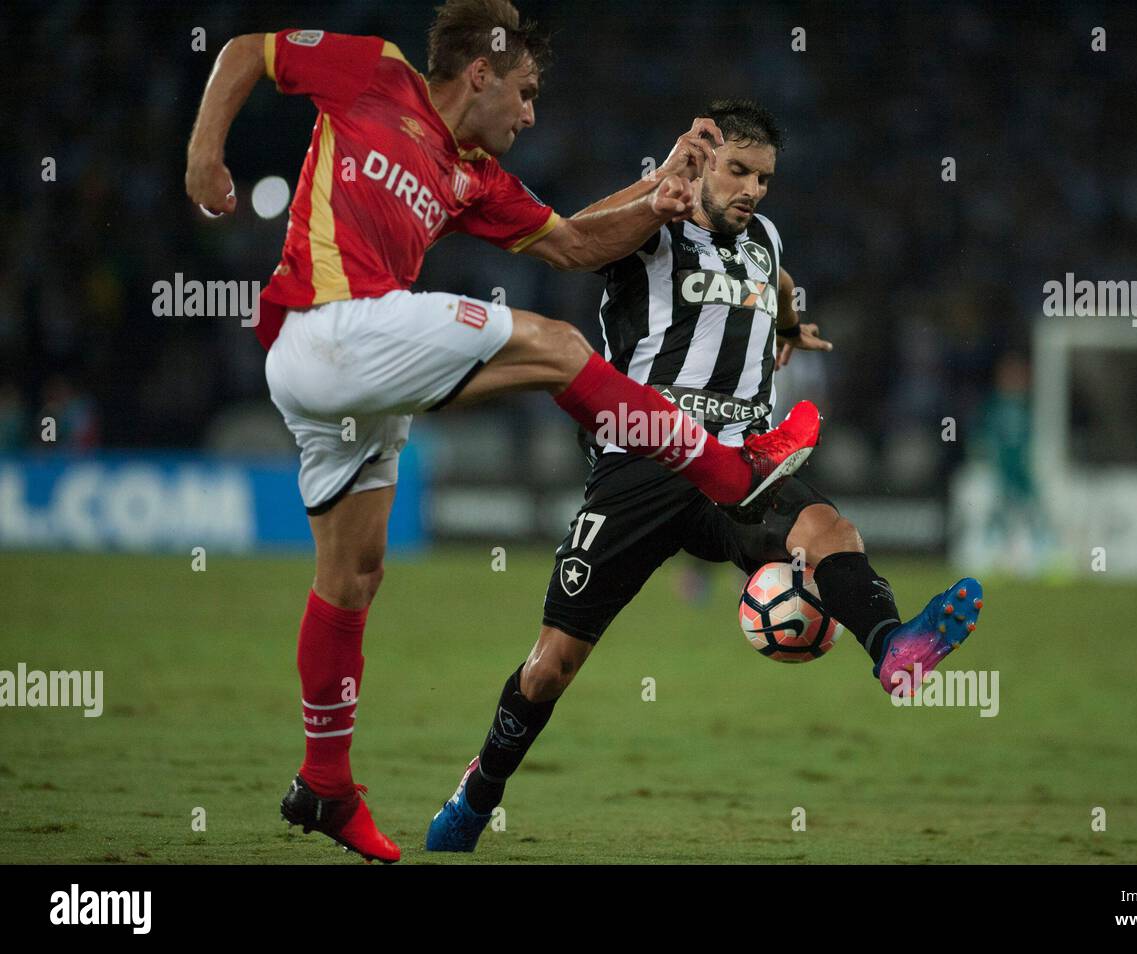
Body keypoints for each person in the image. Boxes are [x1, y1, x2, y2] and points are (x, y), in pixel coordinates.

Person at [183, 0, 821, 863]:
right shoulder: (375, 72)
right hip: (328, 326)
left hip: (352, 389)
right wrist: (204, 151)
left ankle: (325, 786)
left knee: (353, 577)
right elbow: (249, 51)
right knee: (557, 346)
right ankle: (726, 472)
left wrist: (660, 191)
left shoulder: (472, 176)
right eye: (522, 92)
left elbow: (573, 245)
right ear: (479, 70)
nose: (530, 113)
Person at [424, 99, 985, 853]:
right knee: (553, 664)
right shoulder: (649, 219)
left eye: (764, 178)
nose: (752, 189)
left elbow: (778, 276)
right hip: (644, 459)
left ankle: (891, 647)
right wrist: (659, 182)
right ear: (703, 160)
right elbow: (576, 242)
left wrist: (787, 324)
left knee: (830, 530)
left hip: (742, 460)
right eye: (738, 170)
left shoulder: (765, 239)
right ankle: (478, 793)